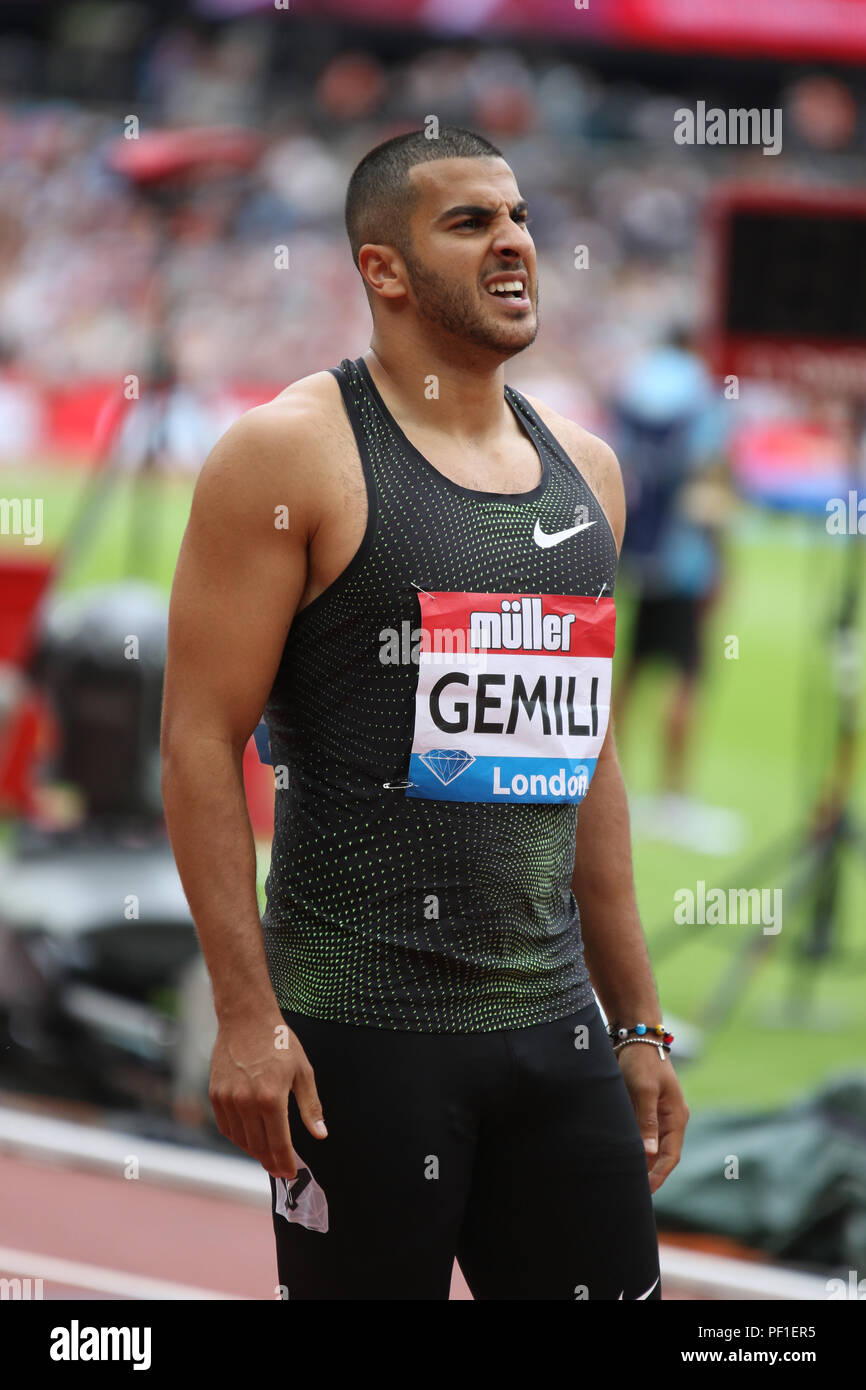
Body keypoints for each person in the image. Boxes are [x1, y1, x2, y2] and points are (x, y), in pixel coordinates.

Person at [160, 126, 688, 1300]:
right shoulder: (292, 454)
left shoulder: (585, 470)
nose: (512, 242)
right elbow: (197, 740)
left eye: (519, 217)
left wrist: (638, 1028)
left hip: (552, 1036)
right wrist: (245, 1019)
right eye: (468, 222)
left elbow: (583, 765)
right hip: (358, 1042)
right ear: (381, 268)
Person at [610, 328, 740, 853]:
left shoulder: (638, 389)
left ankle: (599, 786)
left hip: (640, 556)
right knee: (688, 674)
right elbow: (711, 486)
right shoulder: (701, 397)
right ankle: (673, 799)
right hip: (686, 562)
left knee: (633, 671)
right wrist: (721, 560)